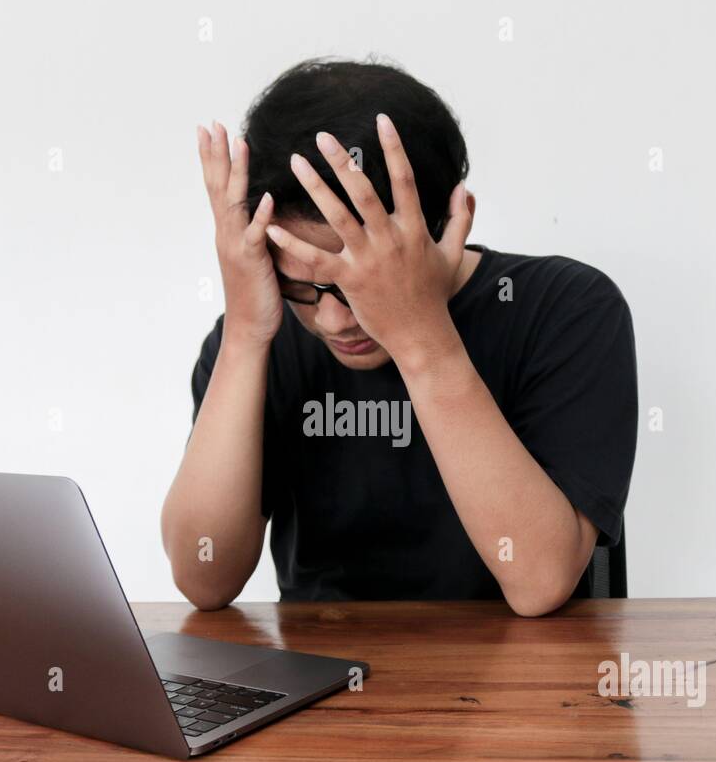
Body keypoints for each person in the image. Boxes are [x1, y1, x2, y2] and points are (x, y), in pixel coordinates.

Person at [161, 58, 637, 616]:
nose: (334, 321)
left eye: (358, 284)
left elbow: (539, 581)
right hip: (328, 677)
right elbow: (203, 577)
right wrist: (244, 333)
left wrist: (420, 335)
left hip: (533, 687)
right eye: (302, 284)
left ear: (449, 226)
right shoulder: (259, 333)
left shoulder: (568, 309)